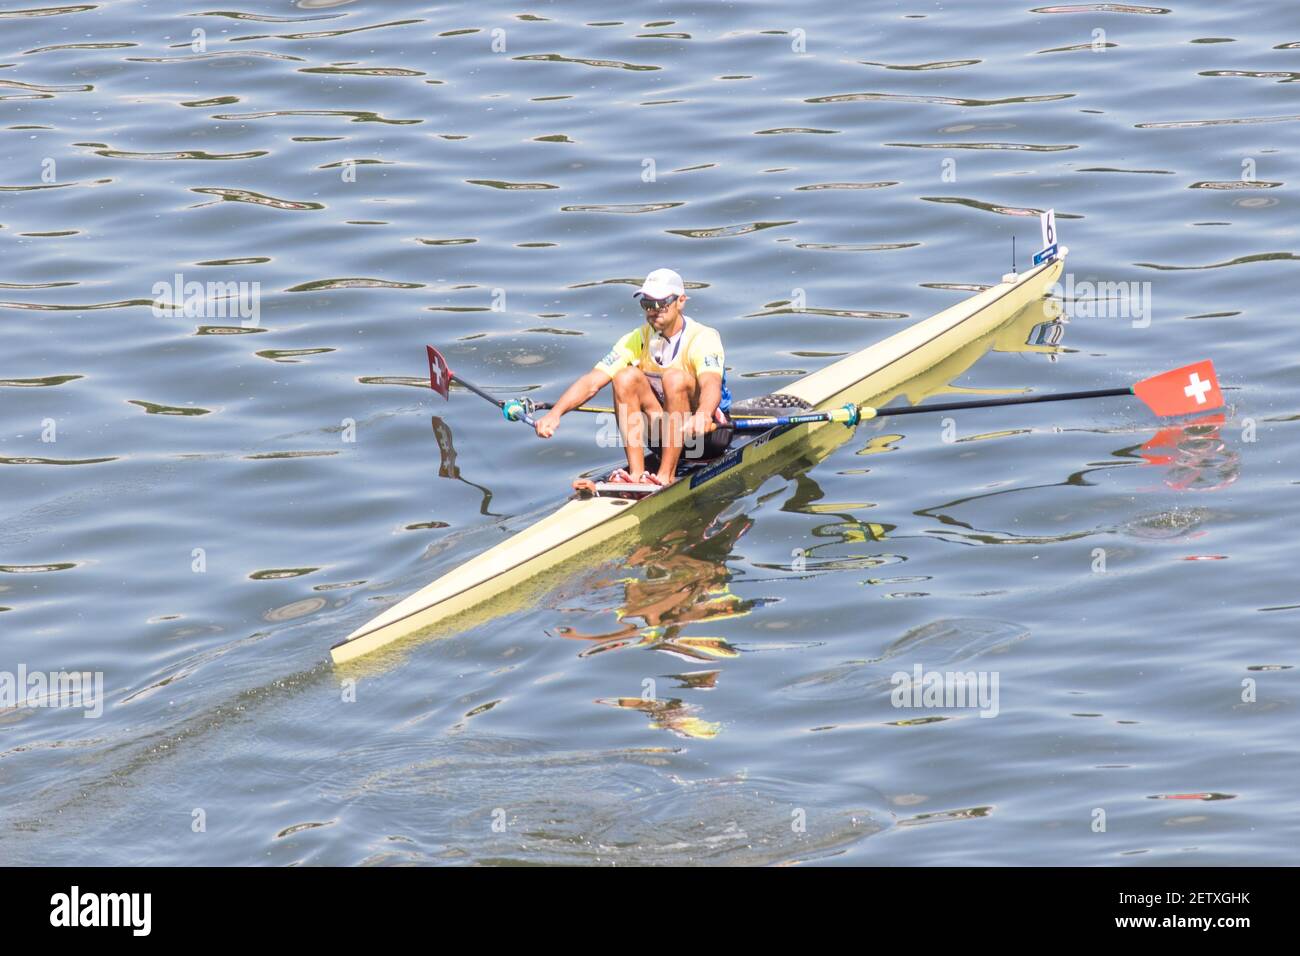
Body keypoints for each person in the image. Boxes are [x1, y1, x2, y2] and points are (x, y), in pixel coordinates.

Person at [535, 268, 731, 486]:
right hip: (662, 436)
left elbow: (711, 383)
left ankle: (665, 476)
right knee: (624, 376)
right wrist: (555, 414)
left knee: (674, 378)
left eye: (661, 303)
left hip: (706, 437)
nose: (654, 310)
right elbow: (592, 381)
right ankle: (637, 475)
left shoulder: (702, 338)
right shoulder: (638, 338)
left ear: (681, 301)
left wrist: (703, 414)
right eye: (647, 304)